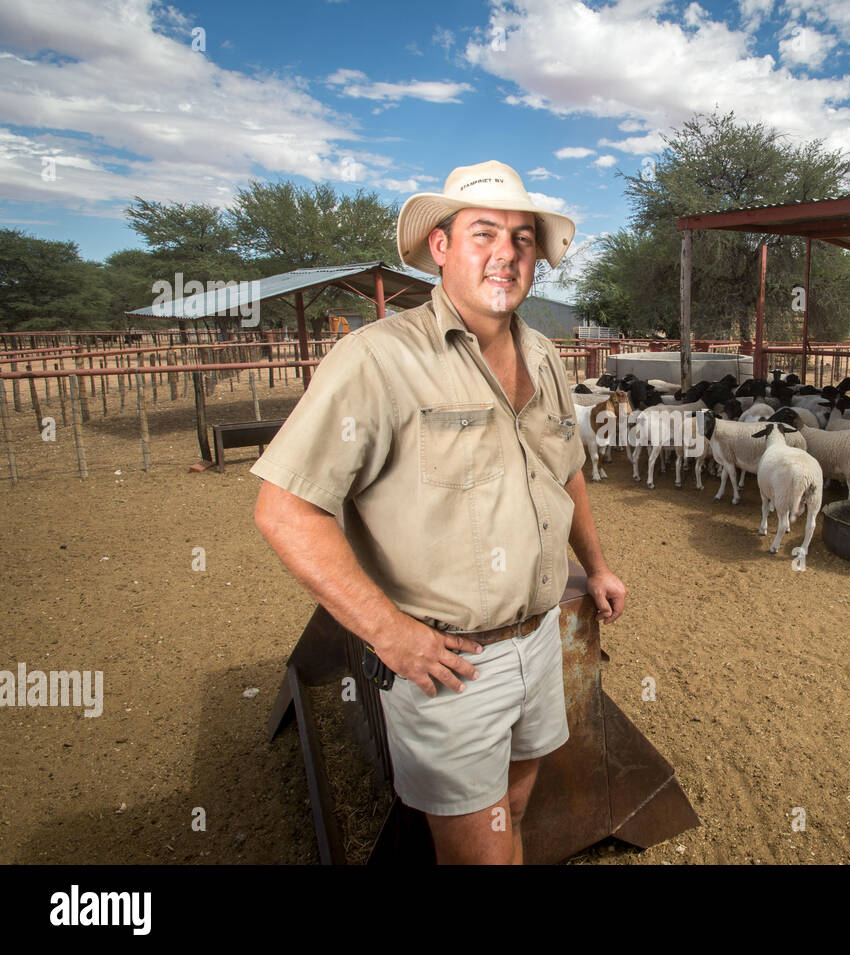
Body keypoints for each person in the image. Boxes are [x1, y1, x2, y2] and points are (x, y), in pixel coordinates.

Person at [251, 160, 627, 865]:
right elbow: (285, 510)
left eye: (522, 239)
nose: (506, 253)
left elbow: (565, 466)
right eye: (484, 232)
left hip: (539, 639)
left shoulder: (544, 355)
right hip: (452, 664)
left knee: (517, 804)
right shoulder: (377, 361)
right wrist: (389, 633)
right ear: (442, 247)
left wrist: (596, 566)